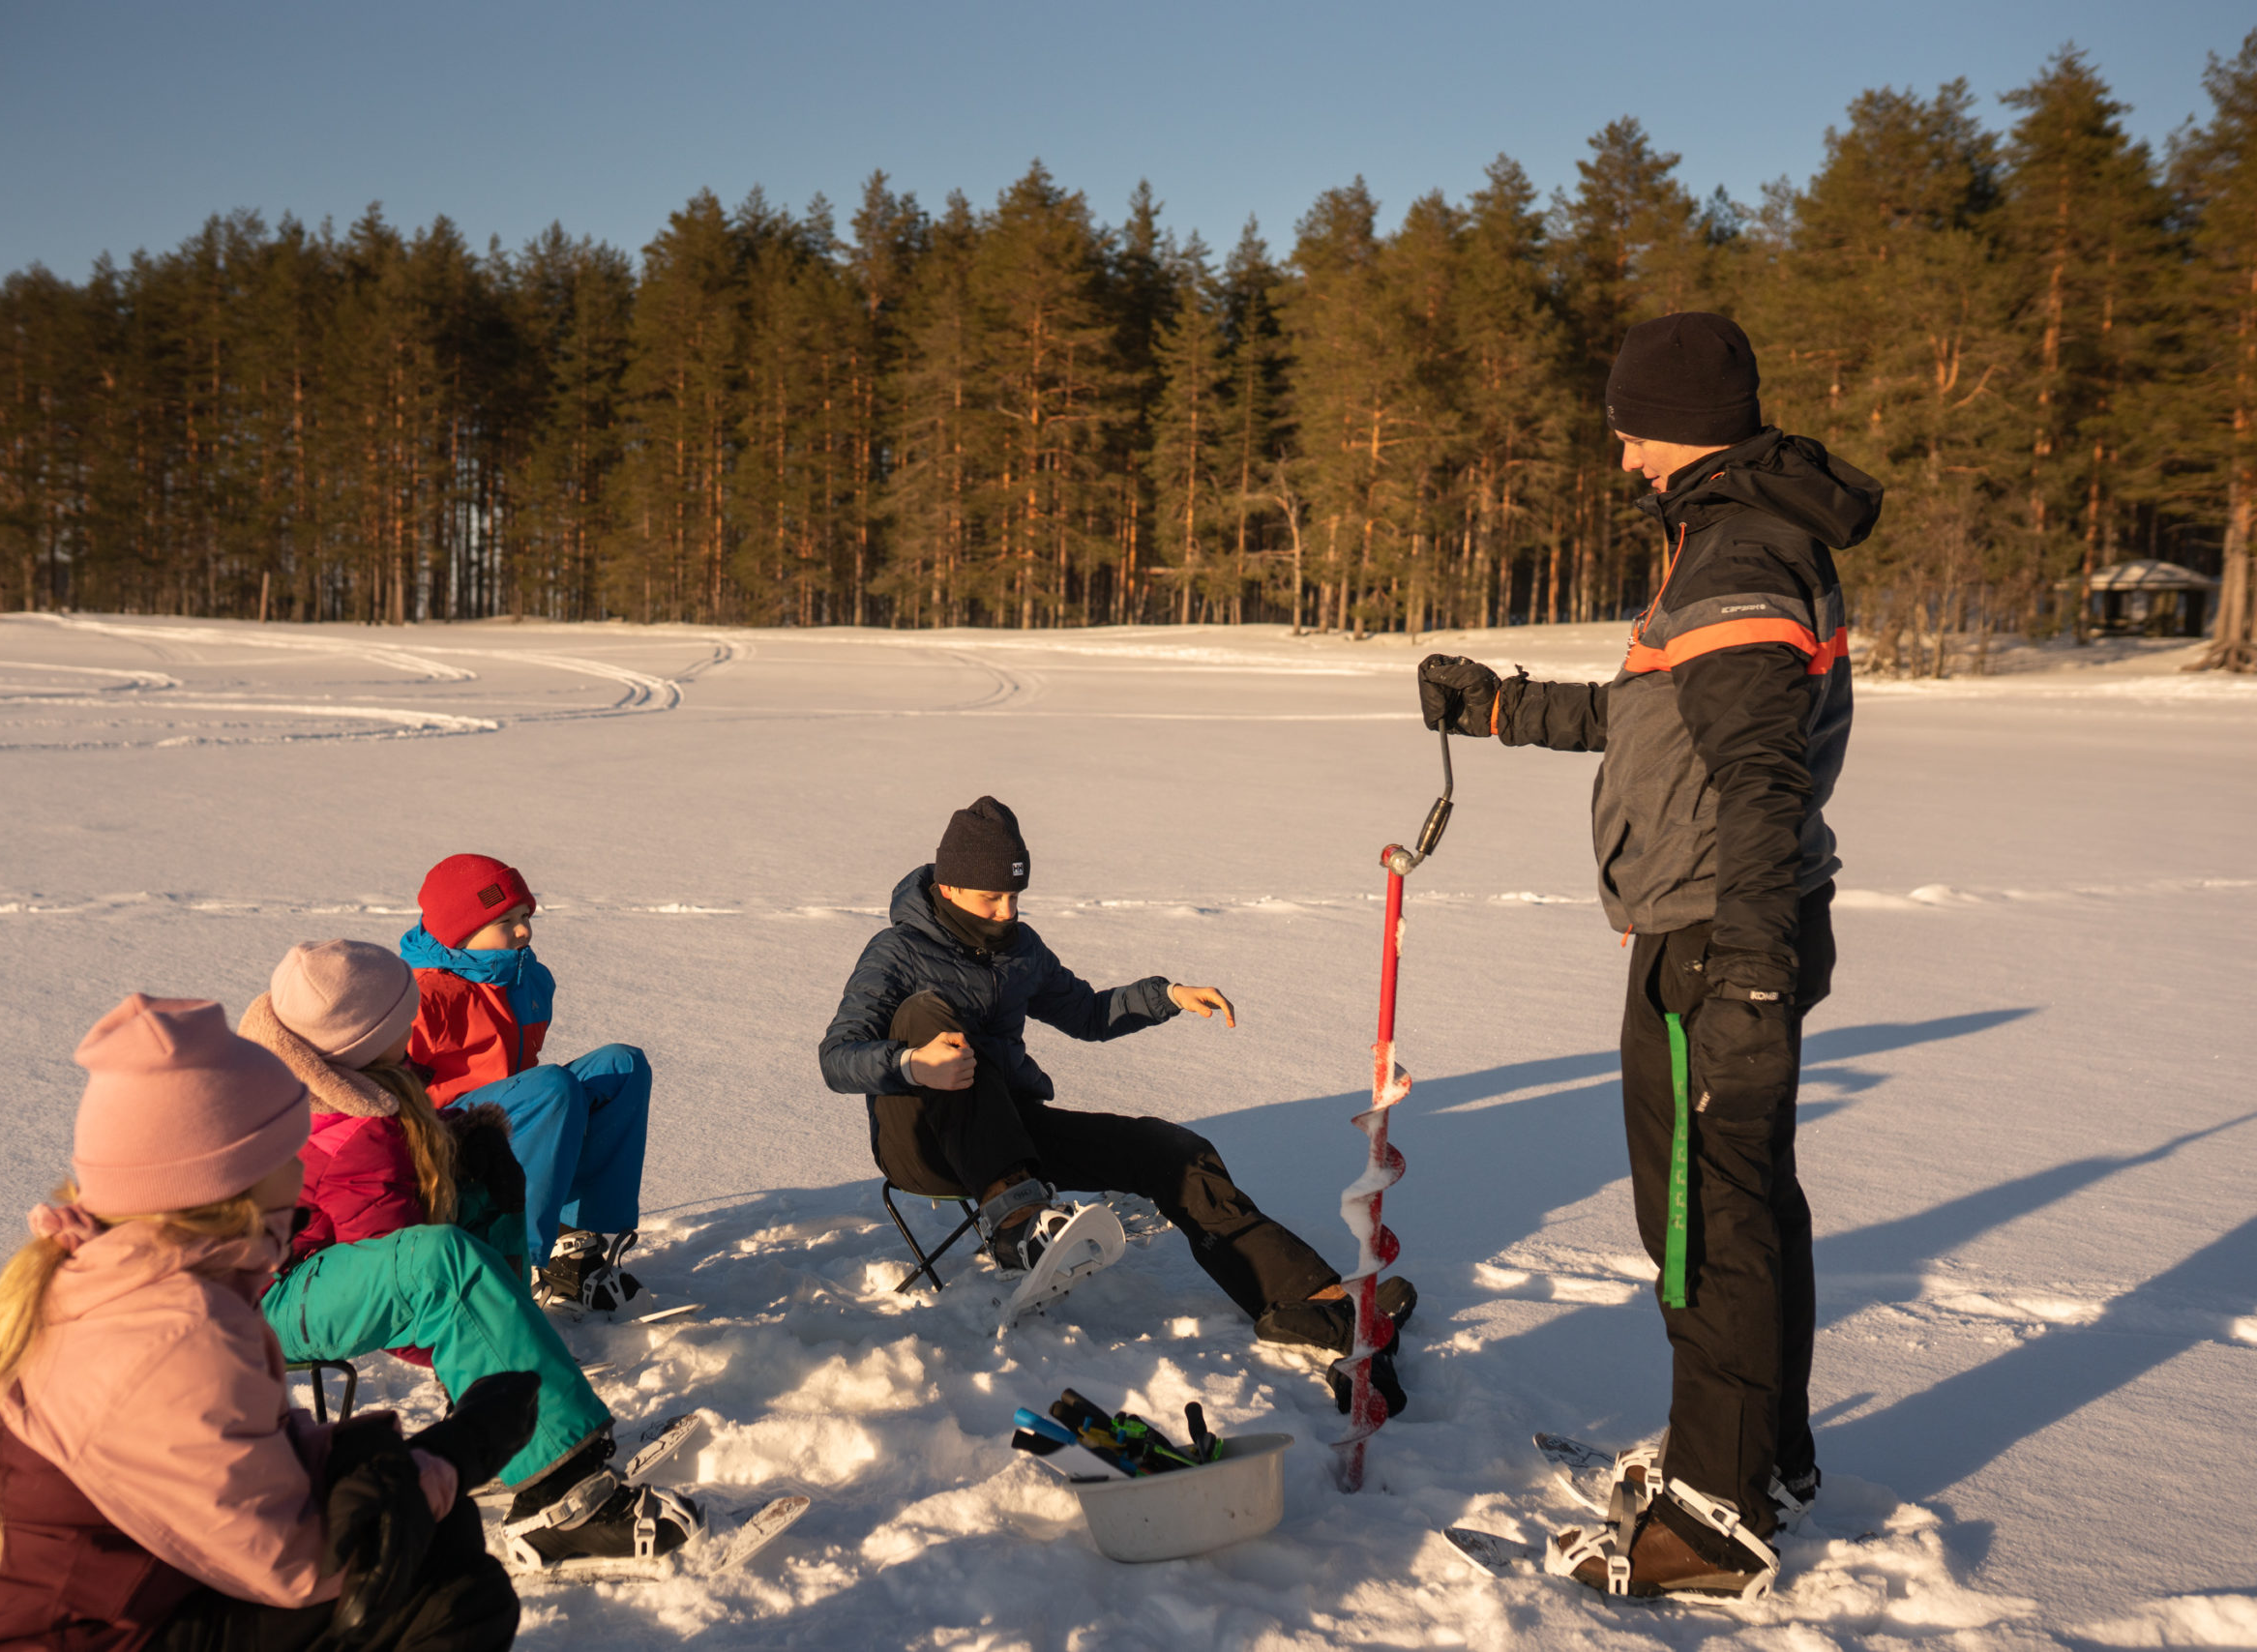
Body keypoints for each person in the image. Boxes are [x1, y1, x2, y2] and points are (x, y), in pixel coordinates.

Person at [1415, 311, 1878, 1600]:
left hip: (1717, 935)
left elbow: (1758, 778)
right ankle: (1760, 1459)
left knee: (1703, 1224)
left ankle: (1717, 1519)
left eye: (1627, 434)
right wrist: (1506, 708)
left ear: (1678, 425)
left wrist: (1748, 968)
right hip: (1722, 924)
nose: (1621, 461)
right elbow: (1652, 724)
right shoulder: (1729, 539)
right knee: (1744, 1203)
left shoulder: (1736, 550)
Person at [0, 992, 528, 1652]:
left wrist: (384, 1461)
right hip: (71, 1635)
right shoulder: (172, 1327)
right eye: (290, 1145)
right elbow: (294, 1562)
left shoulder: (123, 1273)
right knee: (450, 1595)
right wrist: (453, 1453)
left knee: (424, 1533)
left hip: (96, 1610)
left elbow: (245, 1463)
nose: (305, 1164)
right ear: (234, 1176)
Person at [817, 796, 1414, 1412]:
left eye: (1015, 897)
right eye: (991, 899)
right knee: (926, 1014)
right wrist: (915, 1064)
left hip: (1011, 1131)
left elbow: (1087, 1013)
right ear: (947, 886)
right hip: (921, 1140)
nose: (1007, 912)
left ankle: (1308, 1300)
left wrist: (1168, 995)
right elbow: (837, 1057)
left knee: (1169, 1151)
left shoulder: (1020, 949)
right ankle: (1017, 1228)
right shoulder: (895, 952)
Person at [242, 941, 698, 1570]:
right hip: (259, 1301)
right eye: (403, 1019)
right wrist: (493, 1336)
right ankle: (557, 1502)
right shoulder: (352, 1131)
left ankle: (499, 1418)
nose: (415, 1025)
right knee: (445, 1265)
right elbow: (408, 1290)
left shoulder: (322, 1081)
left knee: (484, 1167)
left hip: (297, 1277)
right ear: (362, 1041)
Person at [401, 854, 654, 1316]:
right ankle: (519, 1262)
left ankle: (574, 1251)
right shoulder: (422, 998)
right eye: (505, 922)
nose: (523, 931)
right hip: (445, 1141)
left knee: (623, 1066)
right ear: (460, 932)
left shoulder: (527, 979)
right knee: (553, 1087)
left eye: (524, 917)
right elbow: (382, 1091)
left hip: (513, 1117)